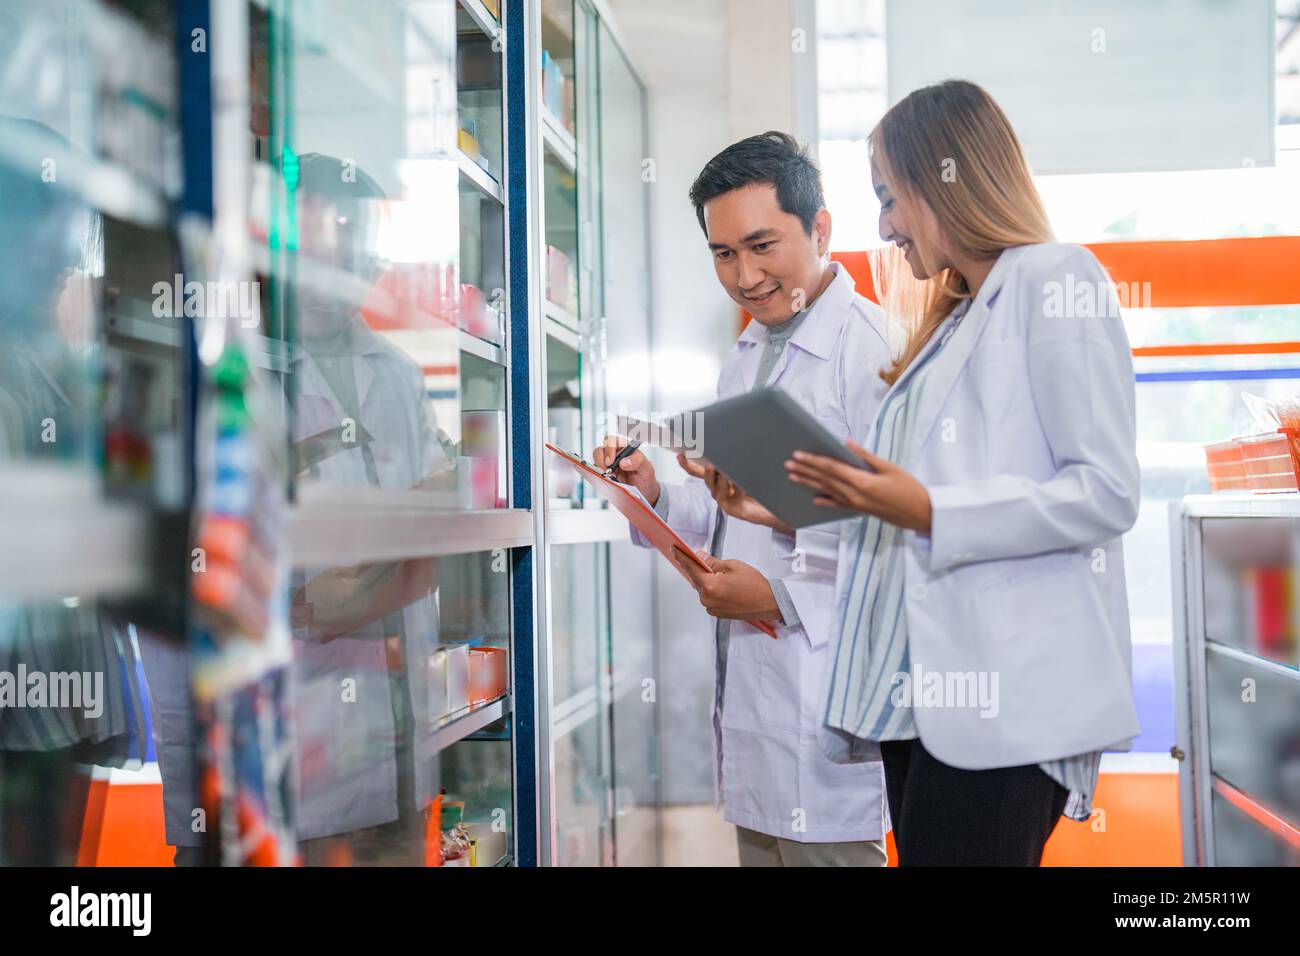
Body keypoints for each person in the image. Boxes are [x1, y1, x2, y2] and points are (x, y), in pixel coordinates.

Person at [783, 80, 1142, 865]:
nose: (882, 226)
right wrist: (779, 506)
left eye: (889, 198)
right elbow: (905, 507)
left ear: (945, 178)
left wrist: (935, 512)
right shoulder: (951, 324)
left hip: (1003, 699)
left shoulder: (1055, 279)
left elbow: (1106, 492)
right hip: (916, 697)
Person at [595, 132, 893, 866]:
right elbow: (736, 515)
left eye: (762, 245)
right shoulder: (750, 353)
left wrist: (781, 597)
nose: (746, 274)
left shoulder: (872, 354)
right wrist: (656, 491)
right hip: (755, 729)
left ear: (820, 228)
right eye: (723, 253)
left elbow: (898, 544)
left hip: (829, 734)